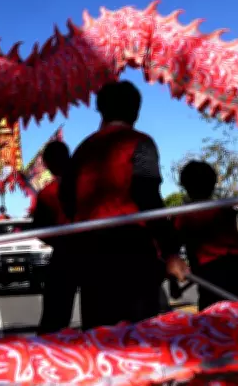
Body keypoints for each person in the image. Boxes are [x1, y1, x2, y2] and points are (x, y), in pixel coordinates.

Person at [59, 81, 188, 330]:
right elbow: (147, 194)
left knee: (101, 335)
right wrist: (171, 250)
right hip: (132, 248)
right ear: (136, 111)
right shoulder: (141, 143)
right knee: (139, 335)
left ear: (101, 110)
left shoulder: (82, 149)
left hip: (91, 253)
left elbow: (67, 198)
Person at [175, 161, 238, 310]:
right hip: (233, 271)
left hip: (215, 274)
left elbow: (172, 249)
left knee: (213, 317)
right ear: (213, 183)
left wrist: (174, 281)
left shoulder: (183, 216)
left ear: (185, 186)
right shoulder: (223, 210)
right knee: (236, 316)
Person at [33, 140, 77, 334]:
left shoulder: (47, 193)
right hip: (96, 249)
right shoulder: (88, 183)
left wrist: (58, 241)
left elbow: (39, 229)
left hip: (66, 252)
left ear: (48, 165)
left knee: (54, 316)